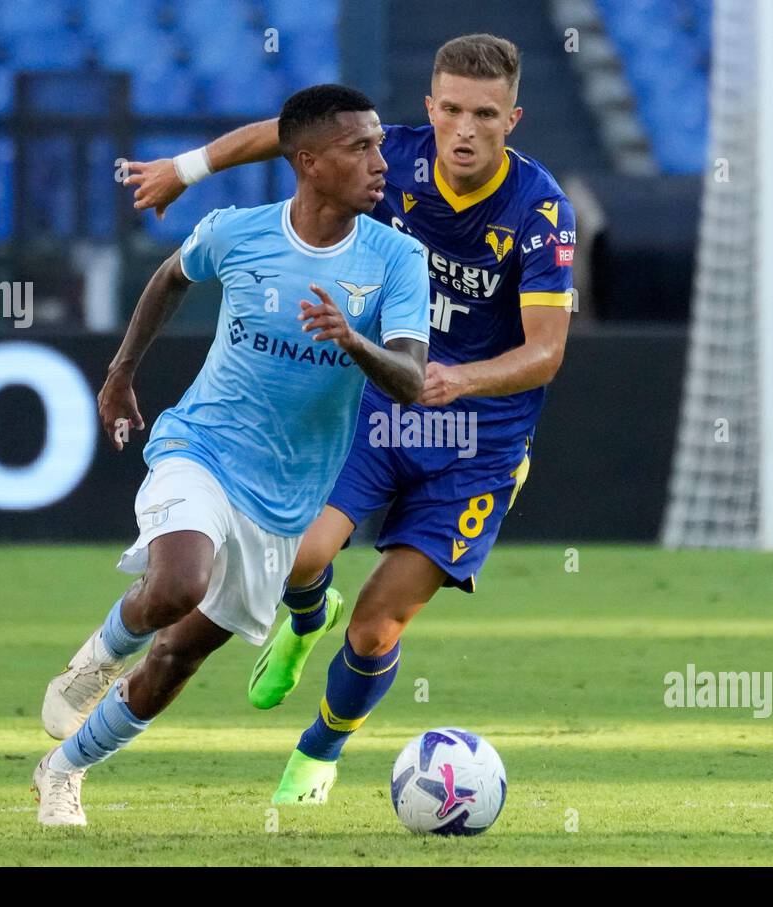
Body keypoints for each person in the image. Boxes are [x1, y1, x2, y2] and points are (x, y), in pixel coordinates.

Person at [116, 33, 576, 804]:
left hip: (476, 437)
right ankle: (301, 620)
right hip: (378, 404)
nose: (465, 129)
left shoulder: (540, 211)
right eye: (452, 110)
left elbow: (546, 352)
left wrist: (458, 379)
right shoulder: (387, 156)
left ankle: (318, 752)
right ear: (430, 108)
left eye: (486, 115)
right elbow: (281, 134)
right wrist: (185, 170)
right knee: (300, 559)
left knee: (374, 629)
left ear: (514, 119)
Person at [32, 84, 429, 825]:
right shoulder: (237, 232)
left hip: (285, 501)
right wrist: (120, 374)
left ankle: (63, 768)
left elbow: (408, 380)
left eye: (379, 145)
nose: (383, 162)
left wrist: (354, 341)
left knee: (178, 659)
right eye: (361, 148)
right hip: (202, 446)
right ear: (308, 162)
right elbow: (169, 277)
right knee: (178, 581)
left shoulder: (397, 259)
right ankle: (96, 658)